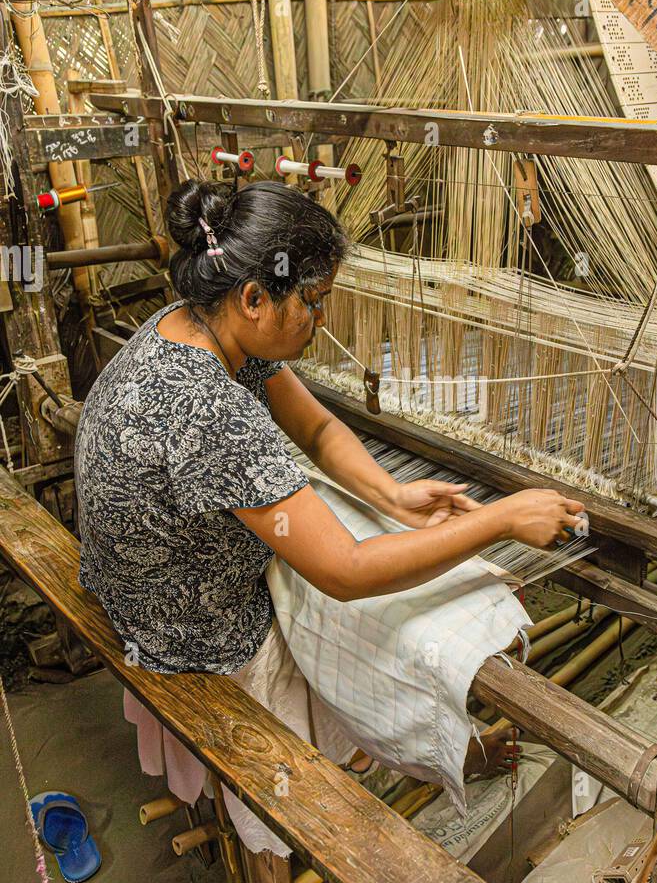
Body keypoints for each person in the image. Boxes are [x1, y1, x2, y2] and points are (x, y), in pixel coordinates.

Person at [74, 177, 585, 807]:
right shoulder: (206, 409)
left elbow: (314, 428)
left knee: (355, 570)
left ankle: (436, 743)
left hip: (148, 579)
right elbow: (345, 571)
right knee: (372, 630)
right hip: (187, 631)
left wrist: (392, 498)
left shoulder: (195, 322)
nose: (323, 319)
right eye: (314, 301)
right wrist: (502, 518)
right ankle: (418, 750)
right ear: (255, 297)